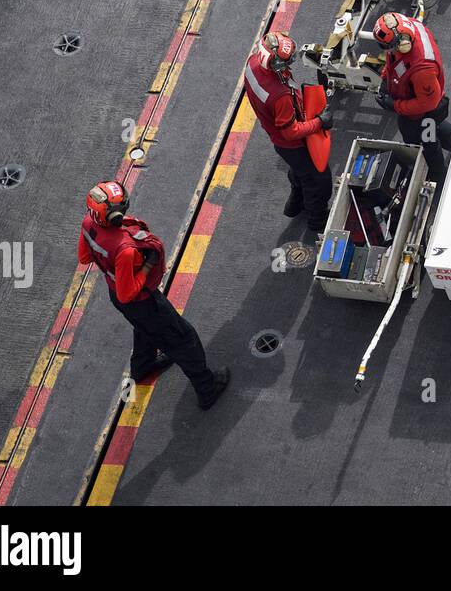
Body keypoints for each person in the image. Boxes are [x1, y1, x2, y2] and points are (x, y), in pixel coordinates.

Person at [79, 180, 229, 409]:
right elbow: (128, 293)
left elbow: (85, 257)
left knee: (144, 328)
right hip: (141, 301)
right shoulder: (126, 250)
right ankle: (207, 388)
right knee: (184, 339)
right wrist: (148, 266)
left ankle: (143, 366)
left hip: (116, 295)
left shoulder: (88, 223)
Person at [243, 31, 334, 233]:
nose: (290, 63)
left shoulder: (253, 65)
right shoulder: (280, 95)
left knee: (299, 171)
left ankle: (295, 204)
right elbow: (291, 132)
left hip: (279, 140)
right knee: (318, 181)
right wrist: (320, 122)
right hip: (293, 144)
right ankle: (317, 221)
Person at [373, 12, 451, 181]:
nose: (386, 51)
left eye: (385, 46)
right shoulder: (407, 29)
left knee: (428, 145)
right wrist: (385, 78)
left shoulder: (422, 70)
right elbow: (394, 59)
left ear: (400, 43)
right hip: (421, 105)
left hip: (424, 113)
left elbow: (427, 103)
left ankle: (438, 176)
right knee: (437, 131)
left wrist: (395, 105)